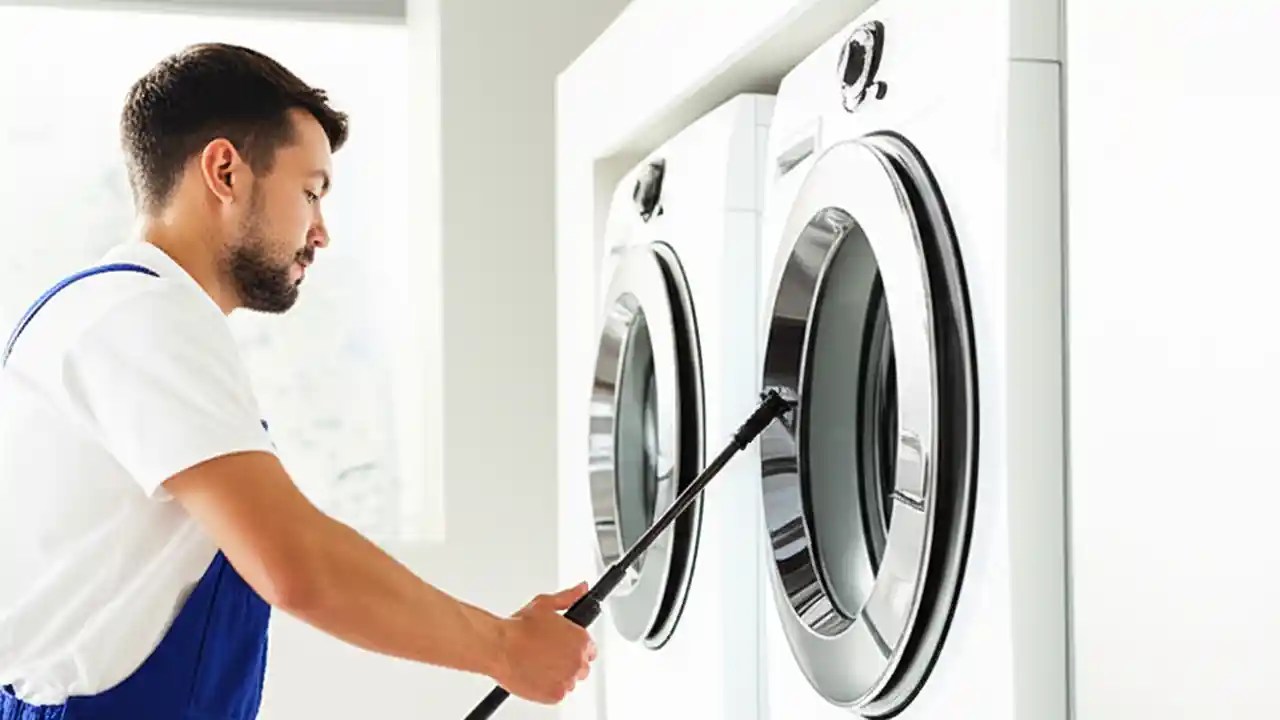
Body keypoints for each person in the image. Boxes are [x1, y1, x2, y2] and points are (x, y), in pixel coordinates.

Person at [0, 42, 594, 719]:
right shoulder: (145, 318)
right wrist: (504, 648)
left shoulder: (87, 312)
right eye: (310, 191)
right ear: (225, 170)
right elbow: (296, 564)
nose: (321, 231)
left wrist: (502, 640)